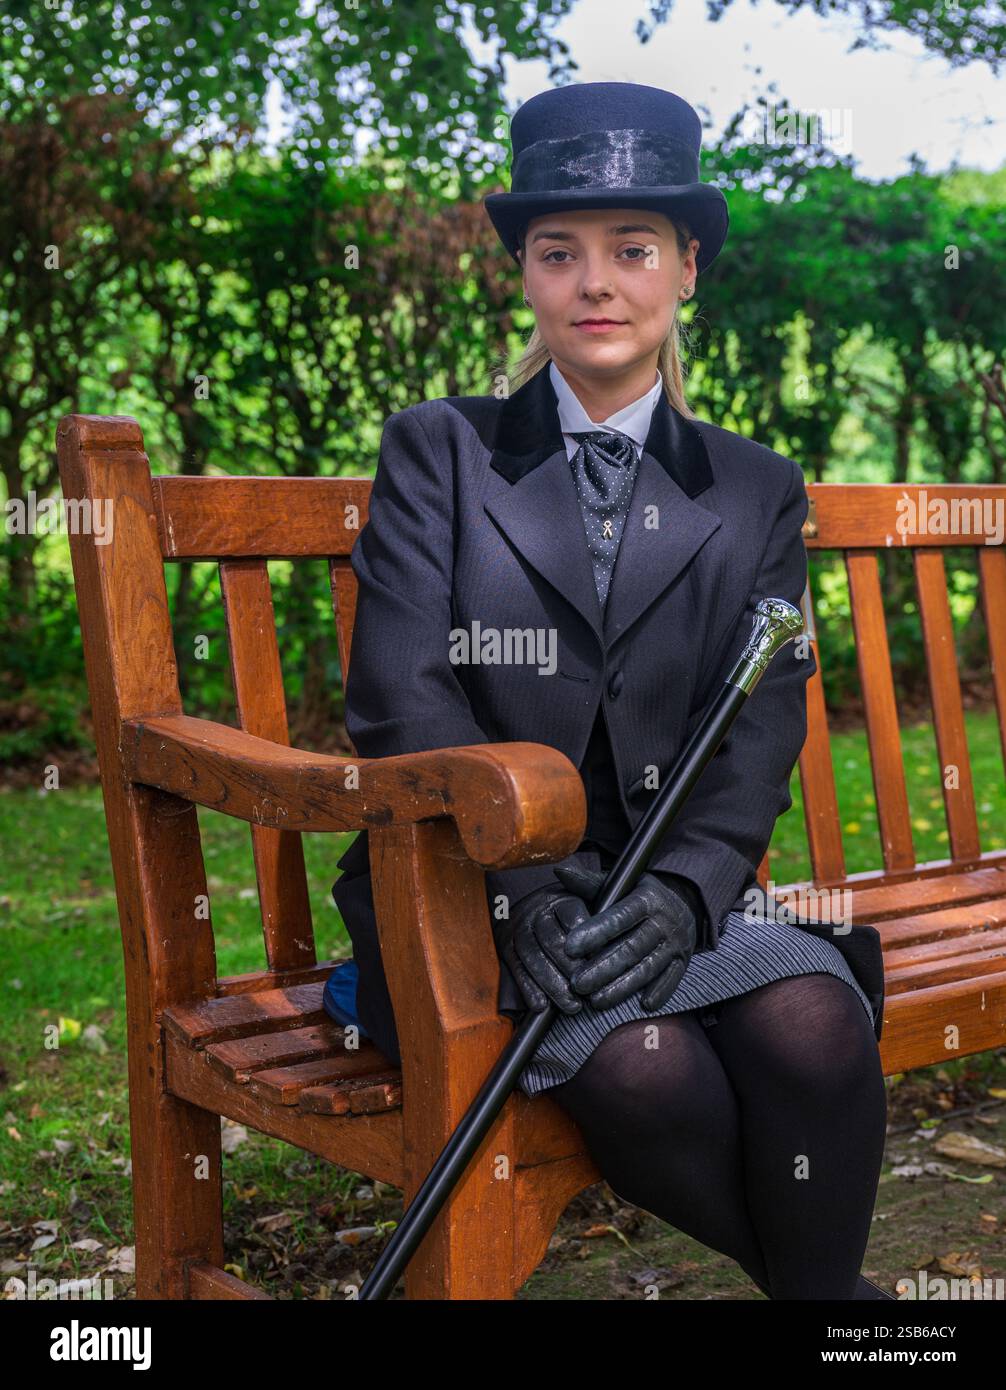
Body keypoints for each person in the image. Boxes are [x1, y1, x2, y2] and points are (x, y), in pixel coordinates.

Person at [329, 81, 891, 1301]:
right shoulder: (442, 450)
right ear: (524, 273)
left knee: (817, 1024)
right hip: (473, 902)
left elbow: (759, 725)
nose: (596, 283)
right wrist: (525, 891)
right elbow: (400, 694)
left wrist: (689, 893)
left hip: (667, 898)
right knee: (645, 1067)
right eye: (558, 253)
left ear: (685, 269)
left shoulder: (751, 488)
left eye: (631, 250)